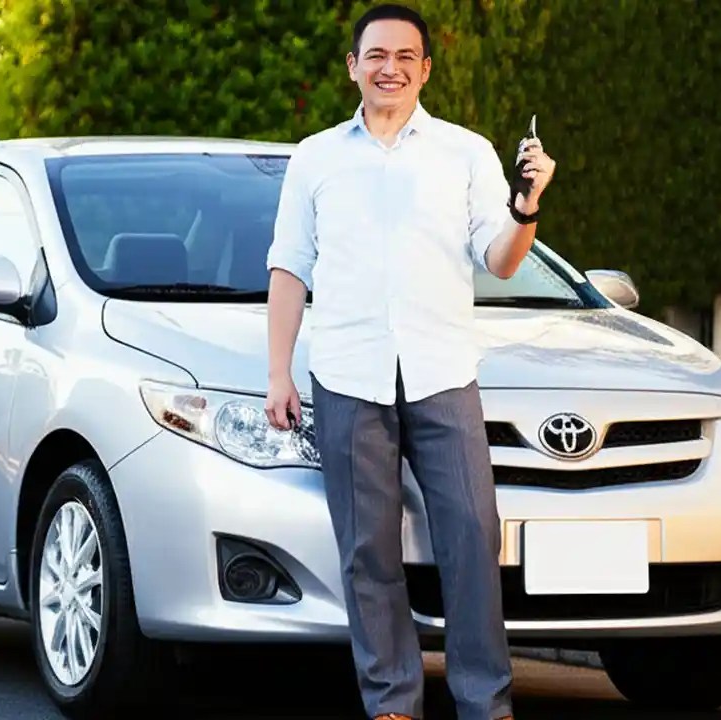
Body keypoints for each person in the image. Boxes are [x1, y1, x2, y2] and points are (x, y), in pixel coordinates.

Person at [263, 3, 555, 719]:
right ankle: (392, 699)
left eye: (405, 56)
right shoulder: (316, 157)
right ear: (354, 67)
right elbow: (290, 268)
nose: (389, 68)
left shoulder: (465, 152)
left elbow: (502, 260)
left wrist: (527, 206)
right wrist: (279, 372)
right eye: (376, 55)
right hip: (346, 375)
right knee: (369, 550)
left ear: (425, 68)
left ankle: (486, 701)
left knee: (471, 538)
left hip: (442, 374)